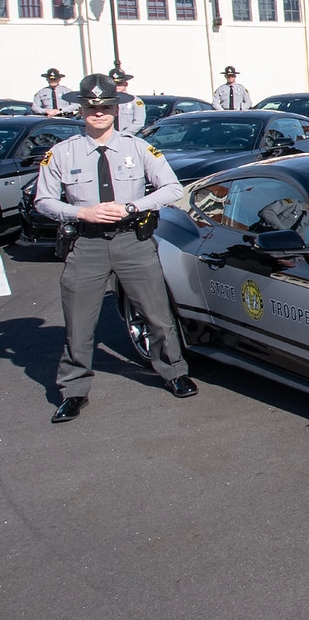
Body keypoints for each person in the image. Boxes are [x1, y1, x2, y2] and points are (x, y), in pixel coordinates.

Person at [34, 73, 197, 424]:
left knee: (156, 313)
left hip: (132, 242)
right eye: (91, 107)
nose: (99, 113)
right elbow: (43, 201)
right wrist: (81, 211)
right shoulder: (61, 154)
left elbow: (171, 188)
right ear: (80, 110)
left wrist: (133, 207)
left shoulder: (138, 149)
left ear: (116, 109)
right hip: (87, 242)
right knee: (79, 322)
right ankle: (74, 390)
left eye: (106, 106)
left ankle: (173, 372)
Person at [109, 68, 145, 135]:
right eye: (114, 83)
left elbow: (139, 123)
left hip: (127, 137)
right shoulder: (107, 101)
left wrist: (123, 135)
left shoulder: (136, 101)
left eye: (120, 83)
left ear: (126, 84)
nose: (117, 85)